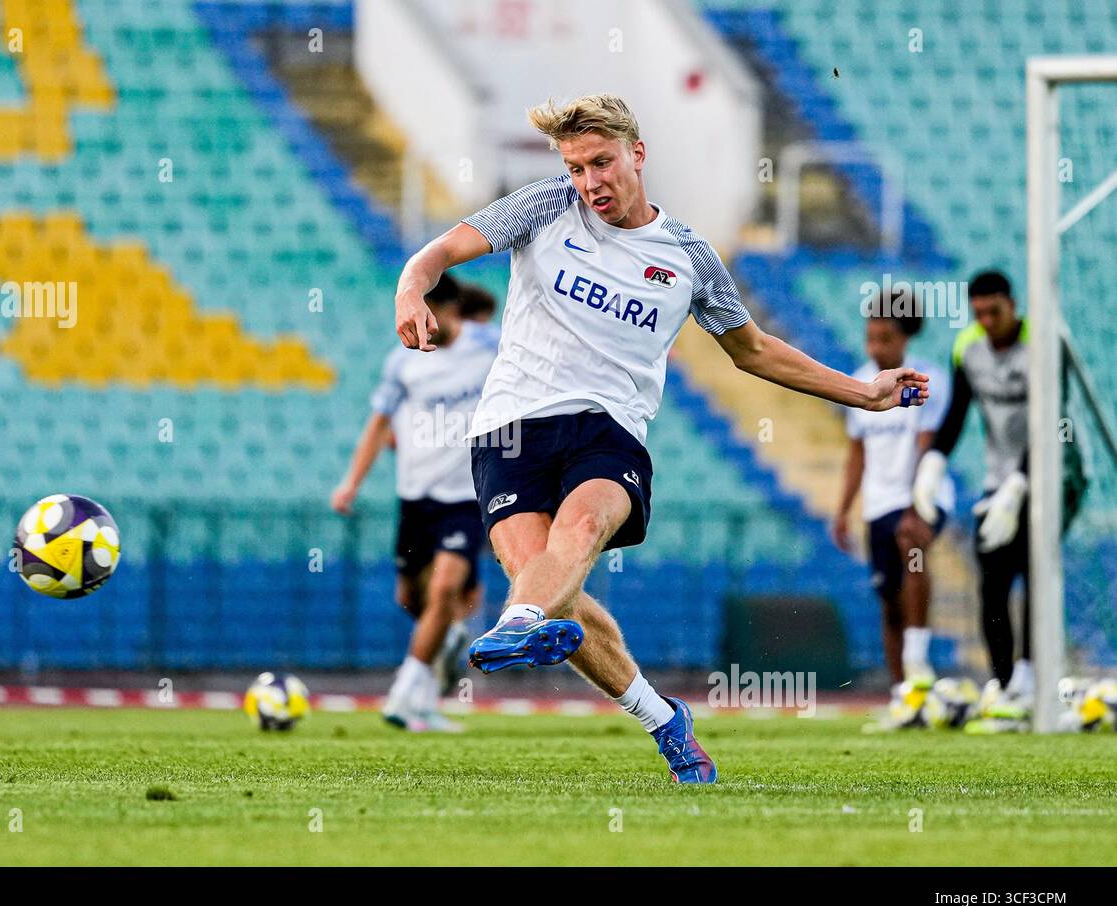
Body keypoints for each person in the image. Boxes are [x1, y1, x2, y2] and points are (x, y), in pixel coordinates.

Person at [392, 94, 929, 782]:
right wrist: (412, 286)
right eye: (578, 167)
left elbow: (755, 350)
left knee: (579, 533)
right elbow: (439, 253)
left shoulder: (687, 257)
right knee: (556, 593)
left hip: (606, 429)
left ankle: (519, 620)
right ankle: (661, 717)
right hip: (508, 429)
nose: (590, 183)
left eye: (602, 164)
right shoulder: (544, 206)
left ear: (636, 155)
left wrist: (863, 391)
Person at [332, 274, 496, 731]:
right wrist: (351, 484)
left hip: (465, 497)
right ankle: (442, 648)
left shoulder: (490, 347)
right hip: (415, 499)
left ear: (447, 310)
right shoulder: (402, 363)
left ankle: (406, 694)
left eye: (422, 316)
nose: (414, 325)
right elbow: (378, 423)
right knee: (412, 599)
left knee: (444, 590)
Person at [912, 270, 1032, 730]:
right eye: (978, 313)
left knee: (1037, 570)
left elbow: (1050, 422)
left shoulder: (1040, 344)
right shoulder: (969, 348)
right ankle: (1005, 685)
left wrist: (1021, 485)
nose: (986, 321)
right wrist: (934, 463)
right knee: (993, 582)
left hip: (1050, 474)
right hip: (996, 480)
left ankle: (1032, 681)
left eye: (993, 312)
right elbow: (957, 414)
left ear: (1012, 305)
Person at [833, 289, 953, 729]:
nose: (876, 347)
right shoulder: (859, 384)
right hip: (878, 503)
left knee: (911, 541)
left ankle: (919, 663)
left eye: (884, 337)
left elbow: (927, 445)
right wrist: (843, 511)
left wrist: (917, 504)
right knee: (887, 600)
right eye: (870, 338)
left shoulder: (926, 379)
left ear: (904, 338)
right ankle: (903, 695)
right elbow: (857, 455)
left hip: (921, 495)